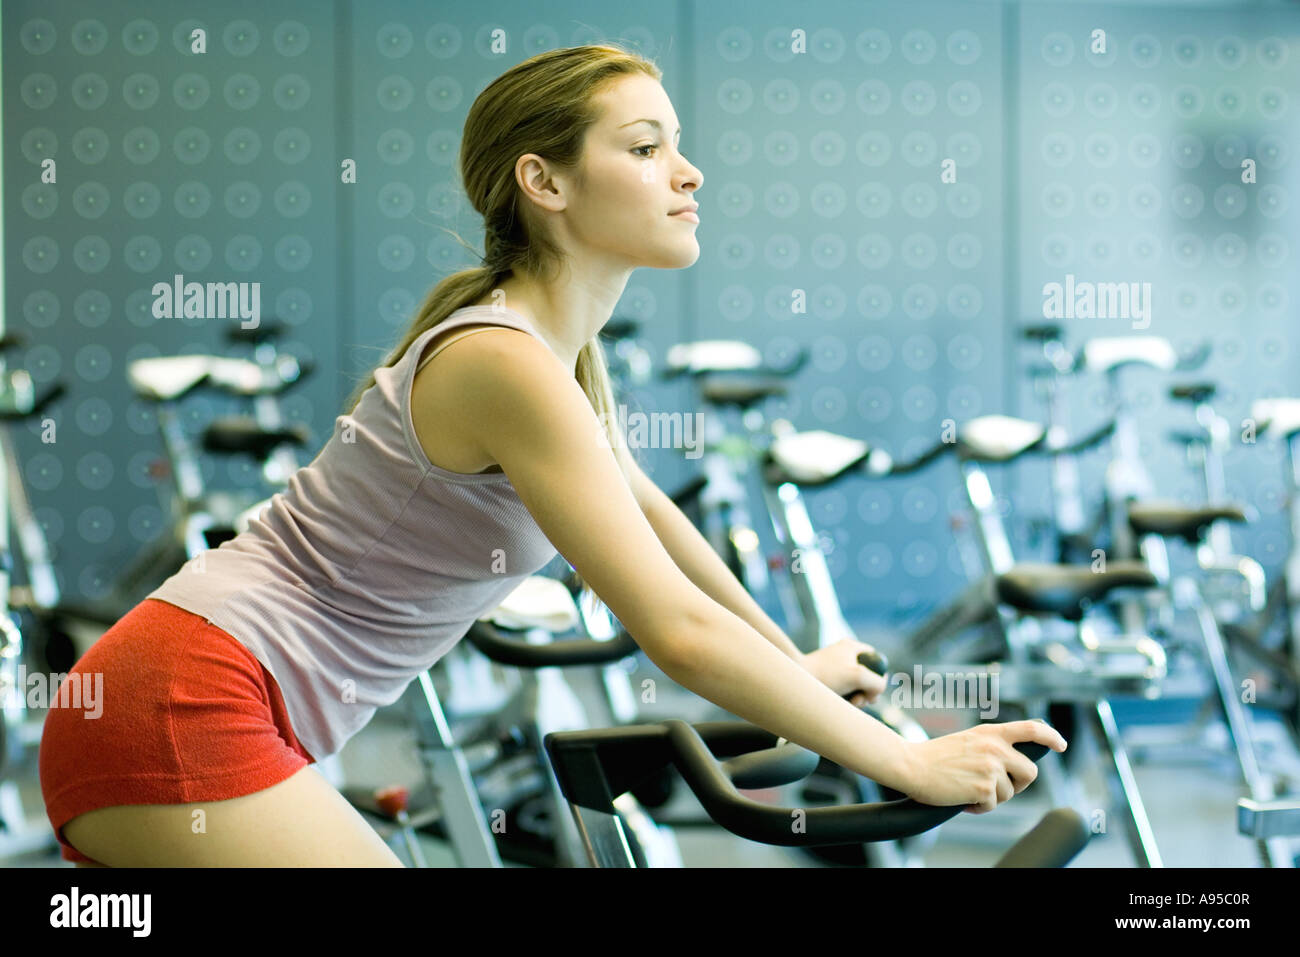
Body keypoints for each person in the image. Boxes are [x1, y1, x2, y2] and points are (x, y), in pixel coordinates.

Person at [39, 44, 1064, 868]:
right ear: (545, 181)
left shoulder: (556, 358)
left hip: (217, 701)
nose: (688, 170)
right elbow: (677, 631)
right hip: (181, 701)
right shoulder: (503, 361)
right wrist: (907, 761)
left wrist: (790, 662)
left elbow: (656, 525)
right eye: (645, 147)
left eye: (678, 145)